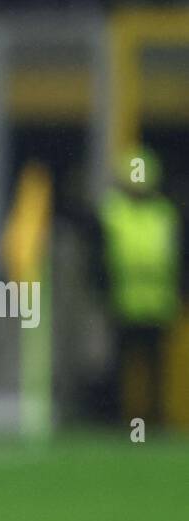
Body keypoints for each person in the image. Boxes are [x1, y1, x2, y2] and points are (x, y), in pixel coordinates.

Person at [96, 147, 182, 426]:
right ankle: (123, 421)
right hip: (122, 304)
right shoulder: (113, 212)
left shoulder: (165, 213)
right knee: (120, 368)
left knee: (156, 370)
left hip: (159, 304)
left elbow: (179, 256)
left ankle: (154, 422)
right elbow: (99, 257)